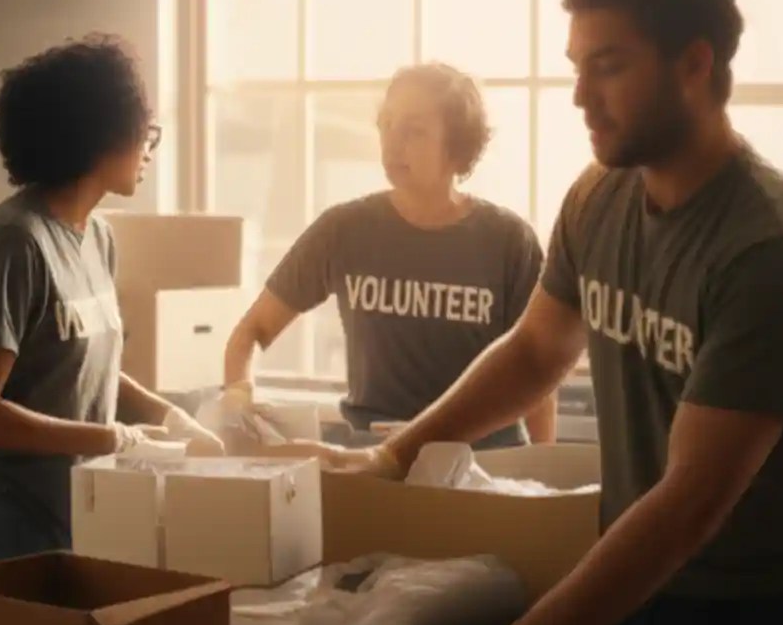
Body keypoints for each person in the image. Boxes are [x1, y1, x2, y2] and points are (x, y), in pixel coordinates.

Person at [296, 0, 783, 625]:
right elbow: (537, 349)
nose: (579, 98)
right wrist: (393, 456)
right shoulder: (601, 194)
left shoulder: (778, 251)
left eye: (610, 67)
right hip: (639, 580)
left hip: (764, 608)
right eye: (576, 68)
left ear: (694, 65)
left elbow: (688, 505)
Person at [0, 33, 224, 570]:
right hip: (2, 520)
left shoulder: (98, 238)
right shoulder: (12, 242)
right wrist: (114, 437)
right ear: (102, 134)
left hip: (74, 508)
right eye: (147, 133)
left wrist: (165, 414)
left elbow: (84, 365)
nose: (149, 150)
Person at [222, 62, 556, 452]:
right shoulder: (343, 230)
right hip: (373, 461)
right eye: (387, 124)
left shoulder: (509, 242)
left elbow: (538, 375)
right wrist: (238, 402)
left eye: (414, 131)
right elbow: (251, 331)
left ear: (457, 145)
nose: (392, 143)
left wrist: (538, 474)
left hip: (481, 469)